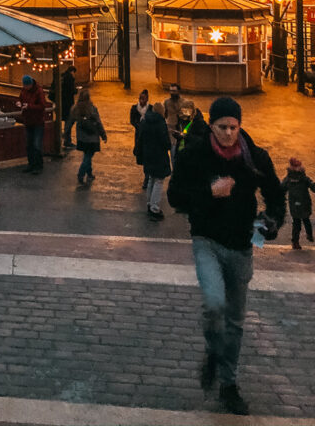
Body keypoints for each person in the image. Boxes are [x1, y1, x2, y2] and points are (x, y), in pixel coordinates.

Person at [167, 96, 285, 416]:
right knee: (215, 303)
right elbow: (175, 196)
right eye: (222, 127)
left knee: (234, 322)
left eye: (234, 127)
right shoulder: (195, 155)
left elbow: (275, 198)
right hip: (206, 239)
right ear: (212, 126)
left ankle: (228, 383)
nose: (229, 133)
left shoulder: (254, 157)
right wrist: (209, 192)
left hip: (242, 246)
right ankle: (212, 350)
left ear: (240, 125)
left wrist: (267, 226)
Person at [135, 101, 171, 221]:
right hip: (159, 156)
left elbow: (140, 138)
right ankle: (154, 207)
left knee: (151, 178)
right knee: (159, 181)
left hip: (148, 155)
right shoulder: (161, 123)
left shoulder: (145, 122)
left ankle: (149, 203)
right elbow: (166, 143)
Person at [64, 87, 107, 185]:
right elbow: (98, 122)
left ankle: (90, 173)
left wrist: (66, 133)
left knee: (87, 154)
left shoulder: (75, 109)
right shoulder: (92, 108)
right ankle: (81, 173)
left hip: (81, 138)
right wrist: (103, 134)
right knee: (88, 156)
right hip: (92, 137)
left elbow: (69, 123)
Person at [17, 74, 49, 174]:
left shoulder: (39, 91)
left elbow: (42, 105)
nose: (25, 87)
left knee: (36, 144)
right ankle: (31, 164)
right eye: (24, 86)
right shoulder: (23, 90)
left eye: (27, 86)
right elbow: (21, 99)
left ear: (31, 84)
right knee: (29, 144)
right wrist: (19, 103)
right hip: (28, 120)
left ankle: (38, 165)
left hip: (38, 121)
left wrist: (29, 106)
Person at [282, 157, 315, 250]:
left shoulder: (288, 179)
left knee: (297, 223)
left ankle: (295, 242)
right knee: (306, 221)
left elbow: (281, 189)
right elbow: (313, 186)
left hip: (295, 205)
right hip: (304, 204)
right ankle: (308, 236)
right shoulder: (304, 178)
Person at [129, 88, 151, 189]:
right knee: (141, 155)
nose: (141, 101)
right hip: (139, 136)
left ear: (147, 99)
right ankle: (147, 176)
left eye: (143, 99)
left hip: (148, 136)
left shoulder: (151, 108)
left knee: (147, 157)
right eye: (140, 98)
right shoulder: (134, 108)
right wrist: (138, 125)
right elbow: (132, 120)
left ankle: (147, 177)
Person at [164, 83, 183, 161]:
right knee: (173, 152)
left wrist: (186, 130)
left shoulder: (184, 103)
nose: (172, 93)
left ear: (178, 91)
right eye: (171, 91)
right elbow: (164, 115)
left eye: (174, 91)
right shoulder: (166, 102)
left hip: (182, 131)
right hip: (171, 131)